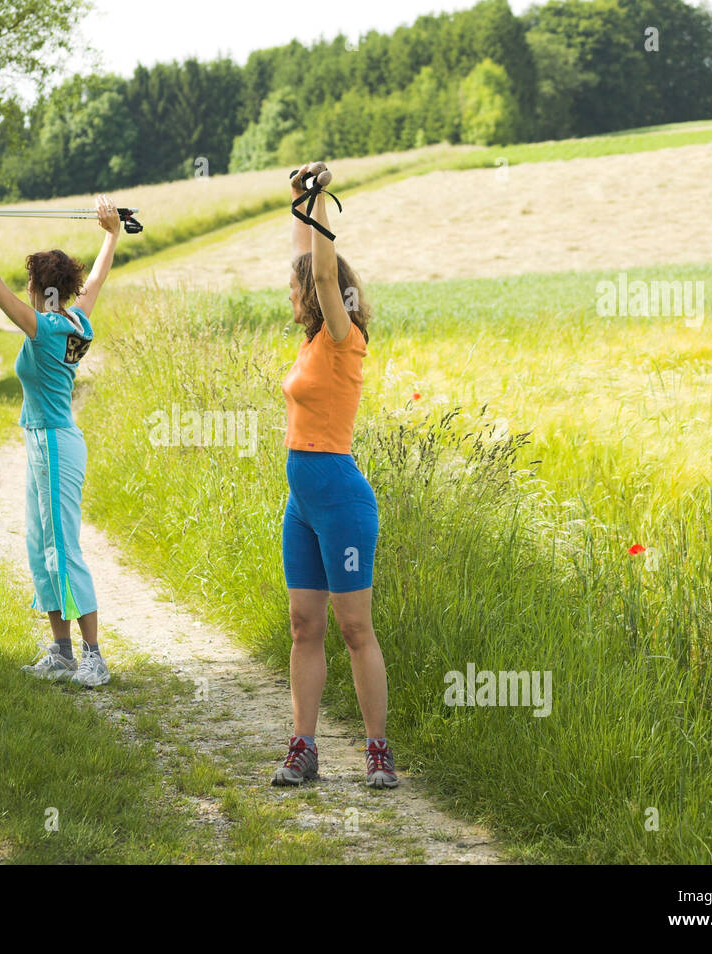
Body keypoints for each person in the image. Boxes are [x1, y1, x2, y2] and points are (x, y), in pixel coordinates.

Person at [0, 191, 120, 688]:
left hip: (54, 442)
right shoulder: (76, 318)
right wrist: (110, 235)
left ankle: (94, 657)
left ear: (39, 289)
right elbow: (95, 281)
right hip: (43, 442)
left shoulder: (44, 328)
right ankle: (63, 651)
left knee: (63, 547)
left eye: (30, 283)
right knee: (39, 546)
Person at [273, 162, 398, 788]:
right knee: (304, 625)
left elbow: (321, 269)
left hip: (342, 500)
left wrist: (322, 199)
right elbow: (307, 261)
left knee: (354, 627)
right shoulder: (310, 338)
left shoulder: (344, 337)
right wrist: (301, 199)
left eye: (302, 292)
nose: (292, 297)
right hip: (302, 502)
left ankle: (378, 751)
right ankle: (304, 749)